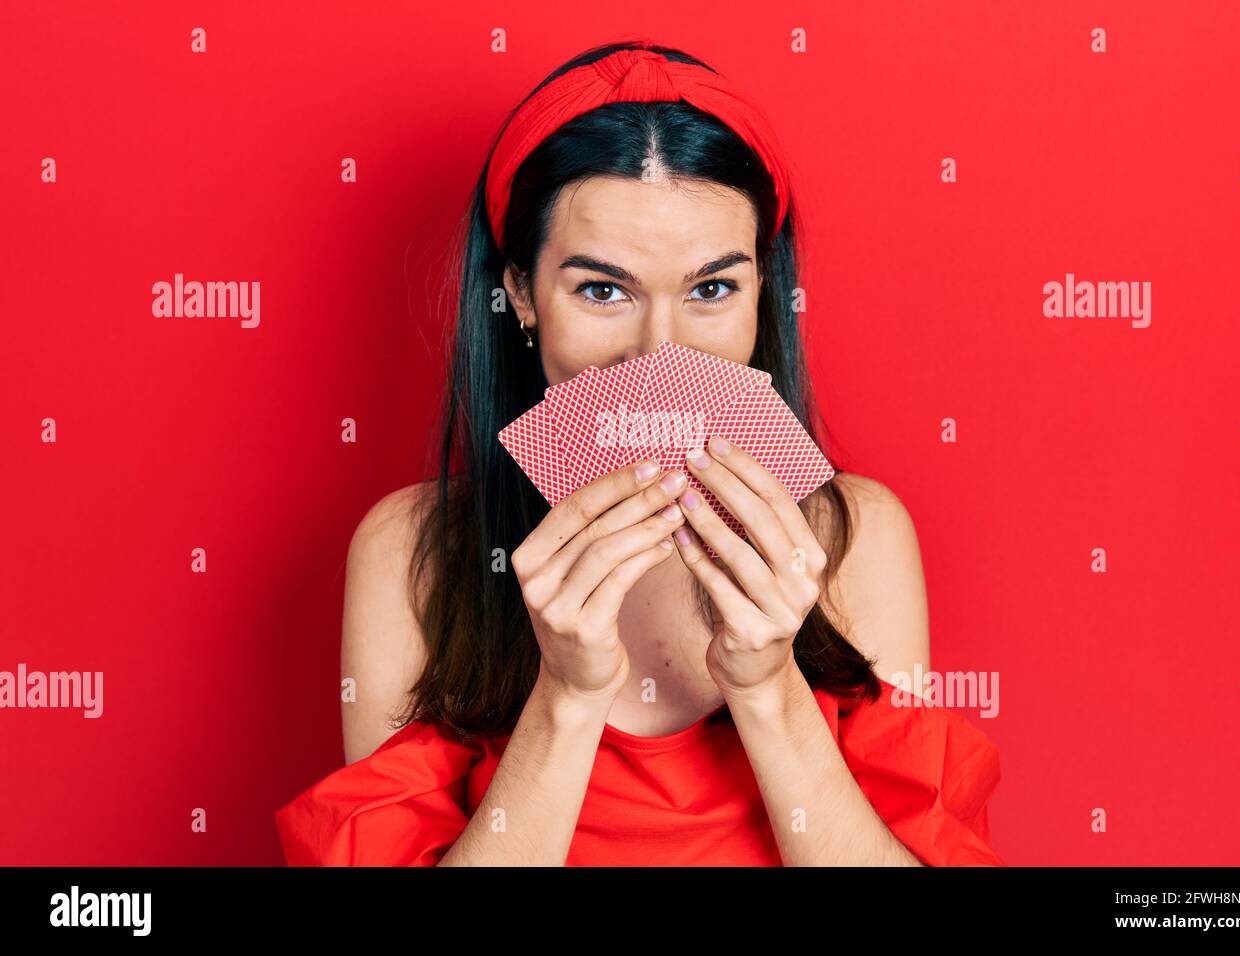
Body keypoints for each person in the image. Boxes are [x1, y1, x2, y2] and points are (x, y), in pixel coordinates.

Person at [275, 39, 1005, 866]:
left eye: (711, 288)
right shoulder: (415, 553)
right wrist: (568, 696)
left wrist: (768, 690)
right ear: (518, 291)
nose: (659, 354)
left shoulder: (852, 538)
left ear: (763, 291)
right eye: (602, 289)